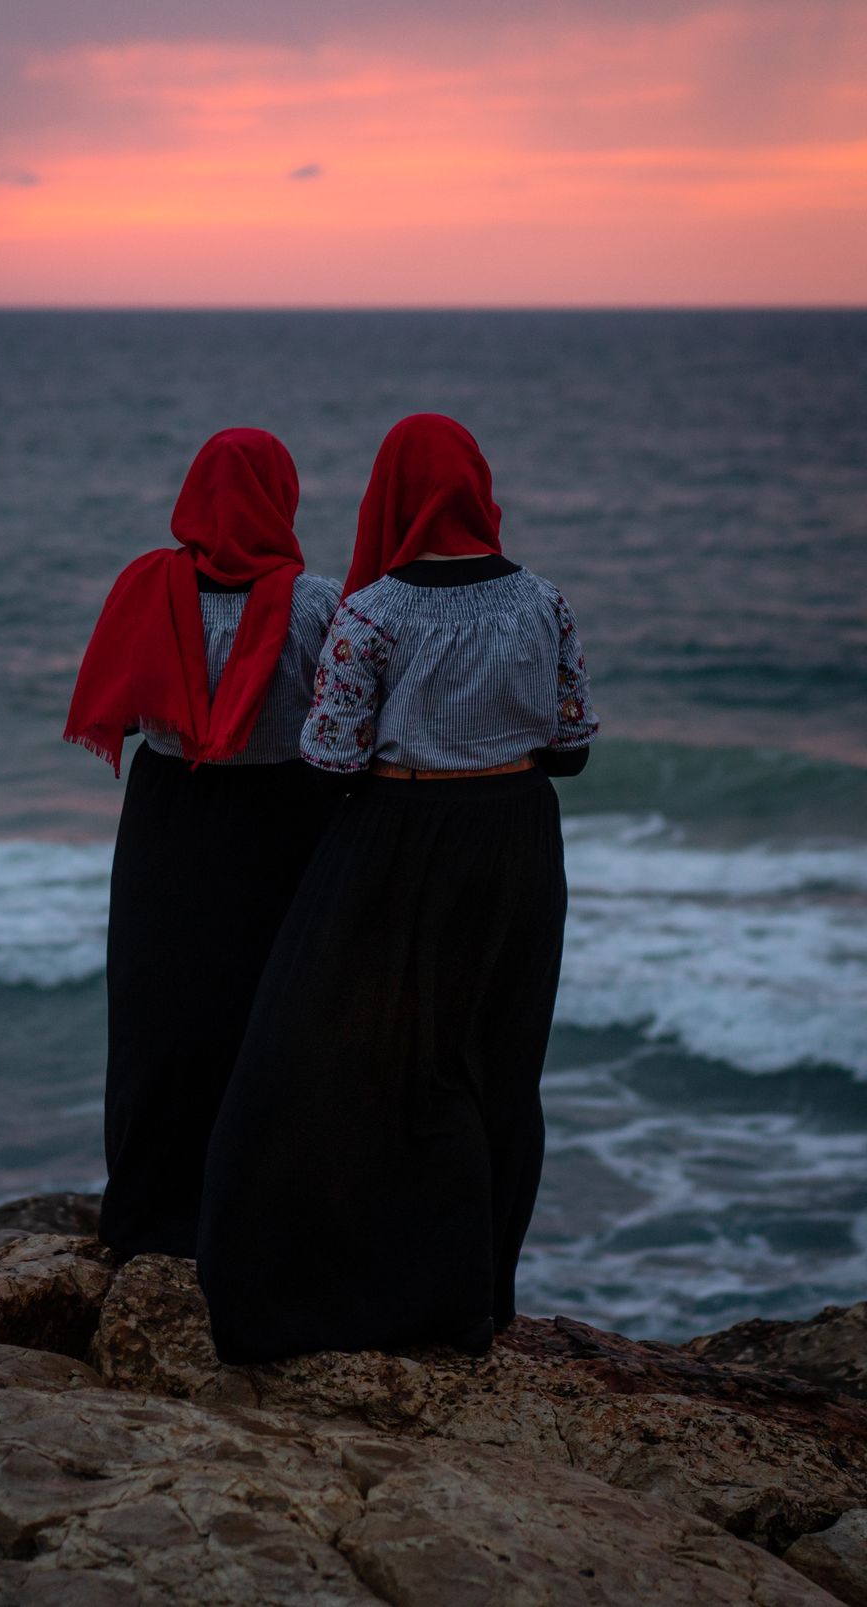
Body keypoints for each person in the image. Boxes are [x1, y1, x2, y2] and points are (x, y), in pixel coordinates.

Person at [197, 413, 598, 1362]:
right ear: (478, 488)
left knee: (363, 1067)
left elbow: (330, 755)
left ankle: (376, 1297)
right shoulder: (544, 600)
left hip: (403, 840)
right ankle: (485, 1298)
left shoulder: (374, 610)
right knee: (498, 1062)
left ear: (393, 495)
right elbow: (573, 748)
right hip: (519, 842)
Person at [64, 428, 341, 1259]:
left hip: (167, 819)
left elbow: (118, 693)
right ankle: (257, 1216)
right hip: (284, 821)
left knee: (157, 1014)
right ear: (281, 497)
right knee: (269, 1014)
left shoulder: (146, 586)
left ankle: (148, 1218)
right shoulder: (318, 604)